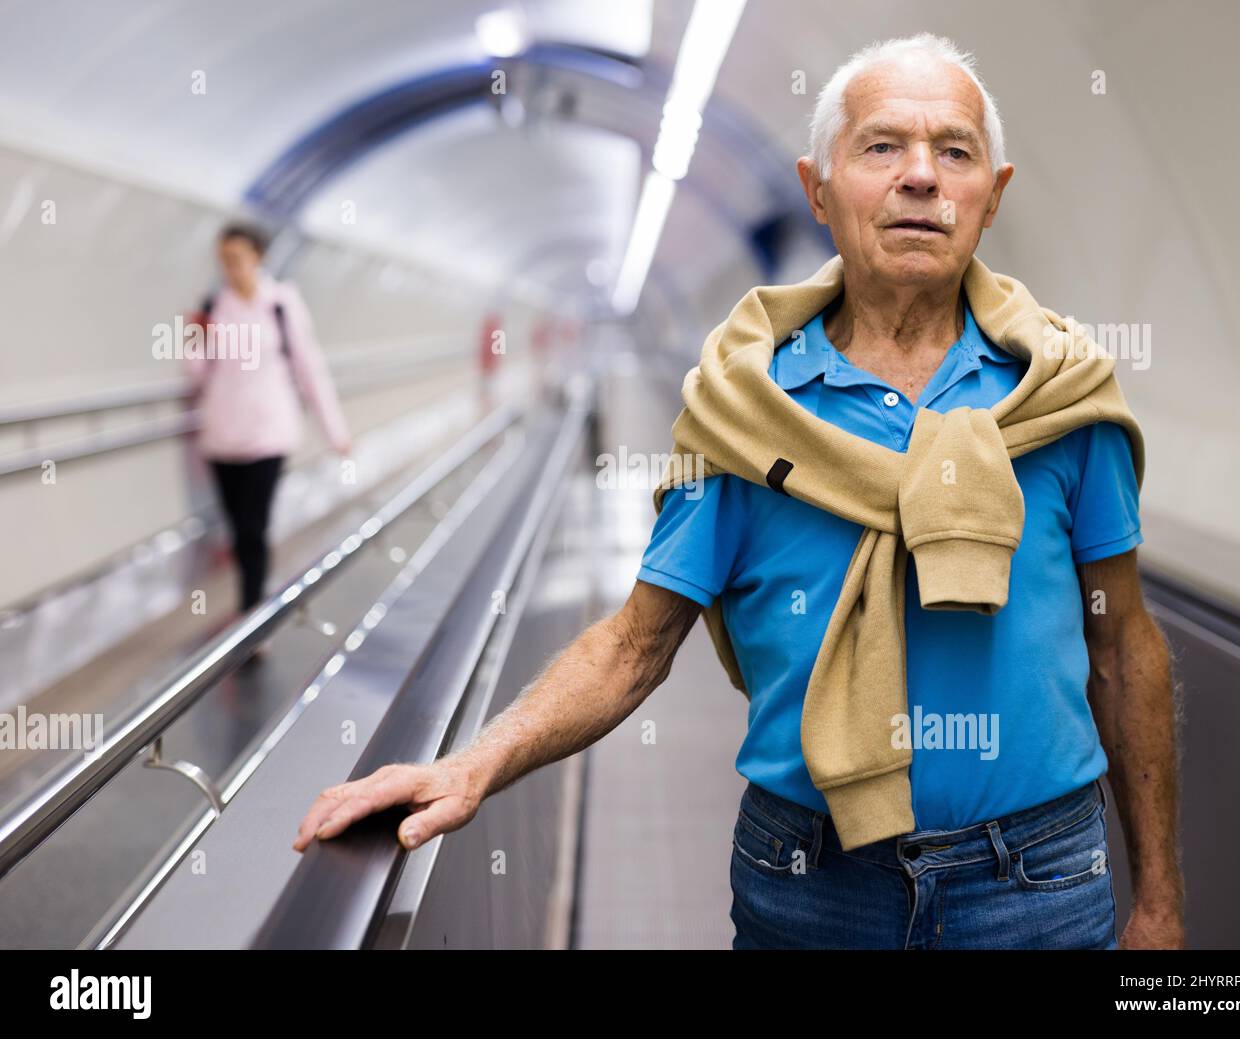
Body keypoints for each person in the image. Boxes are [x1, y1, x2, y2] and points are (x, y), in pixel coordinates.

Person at [289, 33, 1184, 950]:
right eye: (882, 146)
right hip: (810, 882)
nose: (921, 175)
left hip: (1036, 882)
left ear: (990, 196)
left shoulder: (1063, 396)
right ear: (818, 188)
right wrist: (475, 762)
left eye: (954, 150)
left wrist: (1159, 895)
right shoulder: (736, 416)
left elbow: (1122, 639)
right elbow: (635, 644)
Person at [185, 222, 352, 614]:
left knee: (252, 527)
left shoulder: (281, 304)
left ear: (257, 258)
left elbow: (310, 369)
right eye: (224, 259)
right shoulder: (213, 307)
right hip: (222, 438)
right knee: (238, 530)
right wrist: (193, 341)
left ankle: (252, 612)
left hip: (269, 435)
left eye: (236, 258)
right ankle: (252, 606)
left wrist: (336, 433)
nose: (230, 267)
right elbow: (197, 375)